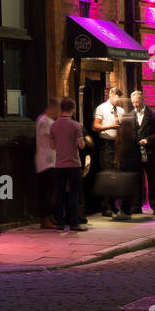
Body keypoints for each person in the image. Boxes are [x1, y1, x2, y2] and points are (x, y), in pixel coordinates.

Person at [50, 98, 88, 230]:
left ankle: (60, 222)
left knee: (60, 193)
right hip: (73, 164)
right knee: (73, 193)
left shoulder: (53, 125)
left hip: (59, 164)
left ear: (62, 108)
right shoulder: (75, 125)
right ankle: (73, 223)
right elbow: (81, 145)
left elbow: (52, 145)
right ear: (73, 108)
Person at [130, 90, 155, 216]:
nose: (135, 105)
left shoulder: (153, 114)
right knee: (136, 180)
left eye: (137, 102)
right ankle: (136, 206)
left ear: (142, 100)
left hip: (150, 152)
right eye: (133, 102)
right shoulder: (130, 115)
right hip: (136, 153)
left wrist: (148, 140)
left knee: (152, 179)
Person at [92, 86, 126, 217]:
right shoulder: (102, 108)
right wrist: (111, 126)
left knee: (117, 175)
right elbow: (95, 126)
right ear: (110, 95)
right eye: (116, 97)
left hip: (118, 144)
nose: (118, 100)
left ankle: (114, 205)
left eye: (119, 97)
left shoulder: (121, 111)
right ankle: (105, 206)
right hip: (106, 144)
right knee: (107, 174)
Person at [35, 97, 61, 230]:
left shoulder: (41, 119)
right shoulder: (47, 122)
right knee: (48, 192)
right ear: (54, 108)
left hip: (45, 160)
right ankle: (45, 219)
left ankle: (47, 217)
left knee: (47, 191)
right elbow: (53, 142)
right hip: (47, 161)